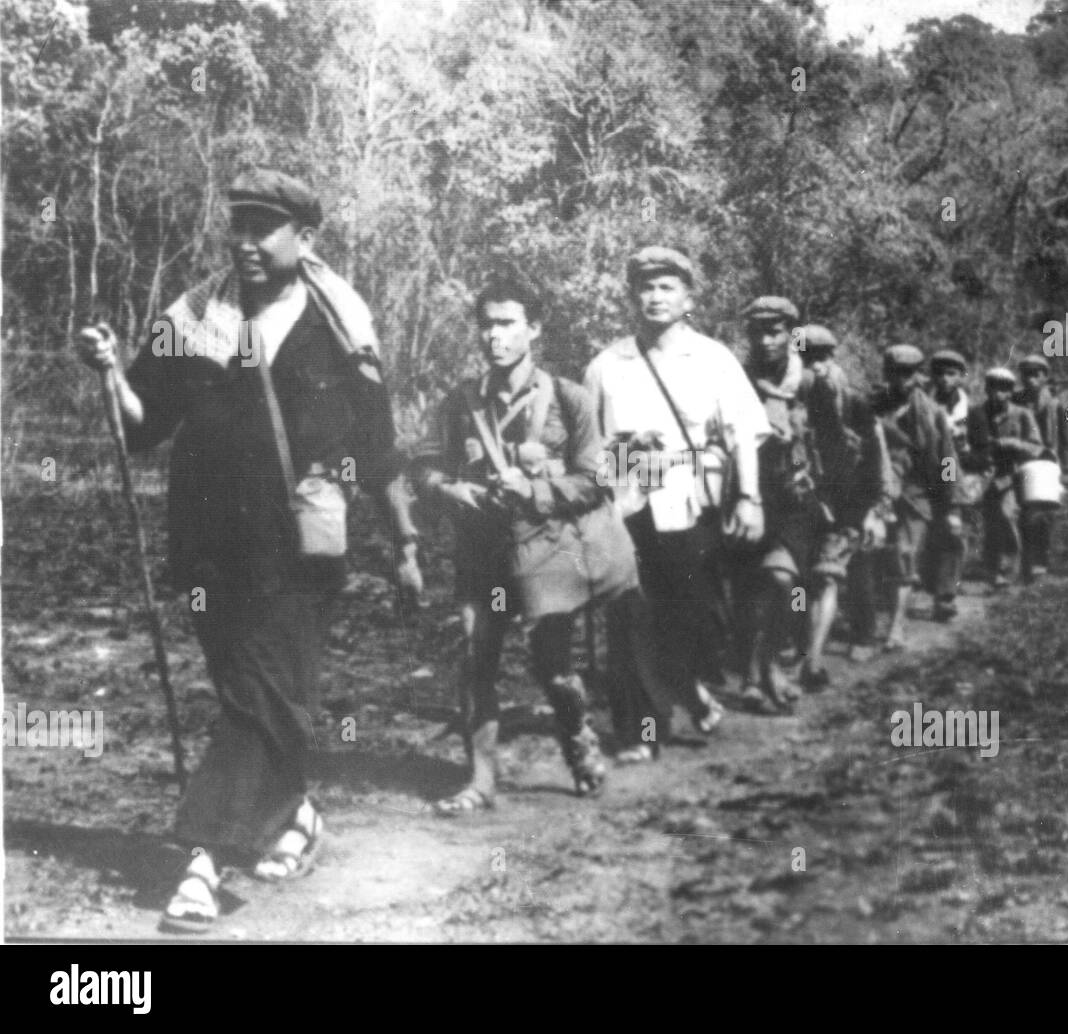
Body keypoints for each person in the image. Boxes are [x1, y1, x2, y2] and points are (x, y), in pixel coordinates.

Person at [75, 170, 423, 933]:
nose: (245, 241)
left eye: (264, 226)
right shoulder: (190, 316)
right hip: (208, 551)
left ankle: (200, 859)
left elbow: (377, 450)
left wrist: (403, 543)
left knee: (260, 693)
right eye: (237, 224)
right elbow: (141, 422)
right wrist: (108, 373)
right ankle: (296, 814)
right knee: (257, 693)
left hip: (303, 549)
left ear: (306, 236)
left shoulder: (342, 328)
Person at [411, 276, 646, 812]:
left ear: (533, 328)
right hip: (482, 550)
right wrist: (452, 488)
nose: (493, 336)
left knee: (553, 668)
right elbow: (422, 467)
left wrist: (535, 490)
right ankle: (481, 781)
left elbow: (595, 481)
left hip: (549, 551)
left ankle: (578, 738)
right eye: (486, 324)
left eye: (506, 323)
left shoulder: (570, 398)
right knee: (476, 658)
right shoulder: (459, 403)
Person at [584, 246, 769, 736]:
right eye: (645, 287)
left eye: (667, 287)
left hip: (693, 505)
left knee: (687, 615)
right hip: (629, 507)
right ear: (632, 296)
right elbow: (593, 454)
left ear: (688, 297)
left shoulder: (712, 359)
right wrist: (632, 456)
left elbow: (742, 434)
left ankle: (687, 688)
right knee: (629, 615)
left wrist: (750, 499)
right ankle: (641, 727)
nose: (655, 297)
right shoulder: (607, 365)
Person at [735, 296, 816, 712]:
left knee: (783, 581)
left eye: (775, 331)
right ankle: (751, 675)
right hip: (748, 494)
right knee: (750, 591)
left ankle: (769, 665)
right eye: (758, 332)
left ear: (791, 333)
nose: (766, 340)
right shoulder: (736, 379)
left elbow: (832, 441)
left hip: (794, 499)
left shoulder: (809, 382)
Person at [798, 324, 891, 682]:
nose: (816, 367)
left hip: (853, 500)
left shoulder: (854, 404)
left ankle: (861, 633)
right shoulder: (796, 401)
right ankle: (806, 645)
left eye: (822, 358)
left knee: (855, 573)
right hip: (810, 500)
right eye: (807, 359)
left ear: (833, 359)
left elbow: (875, 458)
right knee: (812, 578)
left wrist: (876, 509)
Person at [870, 344, 959, 649]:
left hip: (915, 491)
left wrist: (950, 506)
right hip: (875, 488)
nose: (902, 380)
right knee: (873, 554)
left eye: (908, 373)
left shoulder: (932, 413)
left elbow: (947, 460)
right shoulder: (873, 405)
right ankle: (869, 621)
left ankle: (896, 626)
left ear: (918, 375)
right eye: (895, 373)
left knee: (904, 554)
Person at [967, 367, 1043, 590]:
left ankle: (1008, 571)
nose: (999, 394)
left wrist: (1013, 444)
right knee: (991, 523)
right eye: (994, 388)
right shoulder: (976, 413)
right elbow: (965, 443)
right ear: (987, 389)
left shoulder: (1022, 414)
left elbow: (1037, 447)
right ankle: (993, 572)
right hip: (983, 475)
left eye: (1004, 389)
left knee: (1007, 515)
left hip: (1013, 475)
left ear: (1011, 392)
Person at [923, 349, 976, 619]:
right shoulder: (920, 402)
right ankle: (931, 585)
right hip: (923, 474)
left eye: (952, 373)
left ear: (961, 377)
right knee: (929, 535)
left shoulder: (970, 410)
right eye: (940, 373)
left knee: (953, 533)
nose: (945, 379)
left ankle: (945, 597)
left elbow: (982, 449)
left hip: (956, 476)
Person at [1013, 355, 1068, 581]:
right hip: (1021, 462)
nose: (1031, 379)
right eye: (1027, 374)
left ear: (1045, 377)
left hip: (1049, 464)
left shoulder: (1061, 406)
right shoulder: (1015, 400)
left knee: (1043, 515)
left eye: (1036, 374)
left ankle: (1040, 560)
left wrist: (1067, 469)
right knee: (1023, 513)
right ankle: (1026, 561)